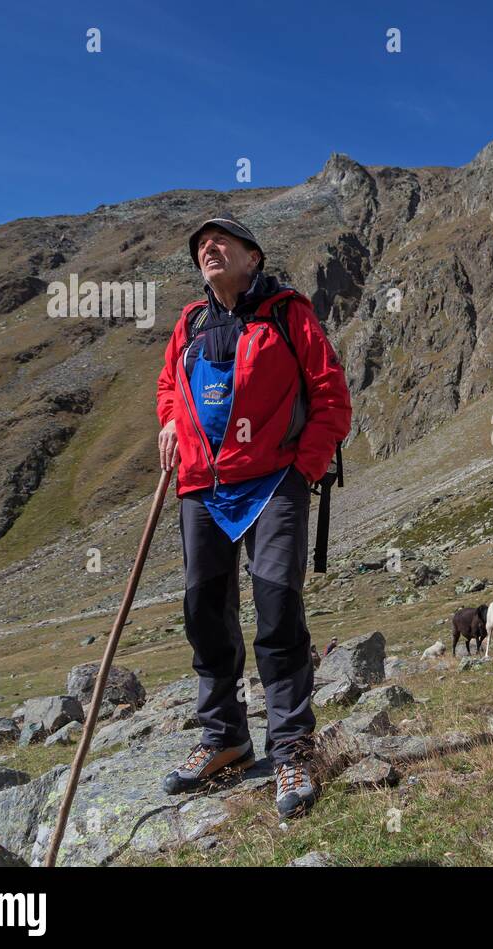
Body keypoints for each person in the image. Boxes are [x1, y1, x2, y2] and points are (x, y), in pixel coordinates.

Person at [156, 216, 352, 819]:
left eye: (222, 242)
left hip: (273, 483)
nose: (208, 249)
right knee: (205, 615)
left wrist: (306, 468)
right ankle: (226, 741)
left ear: (253, 257)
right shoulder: (189, 324)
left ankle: (292, 745)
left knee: (277, 610)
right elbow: (169, 387)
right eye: (200, 246)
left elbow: (330, 395)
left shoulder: (288, 314)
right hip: (202, 488)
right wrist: (168, 421)